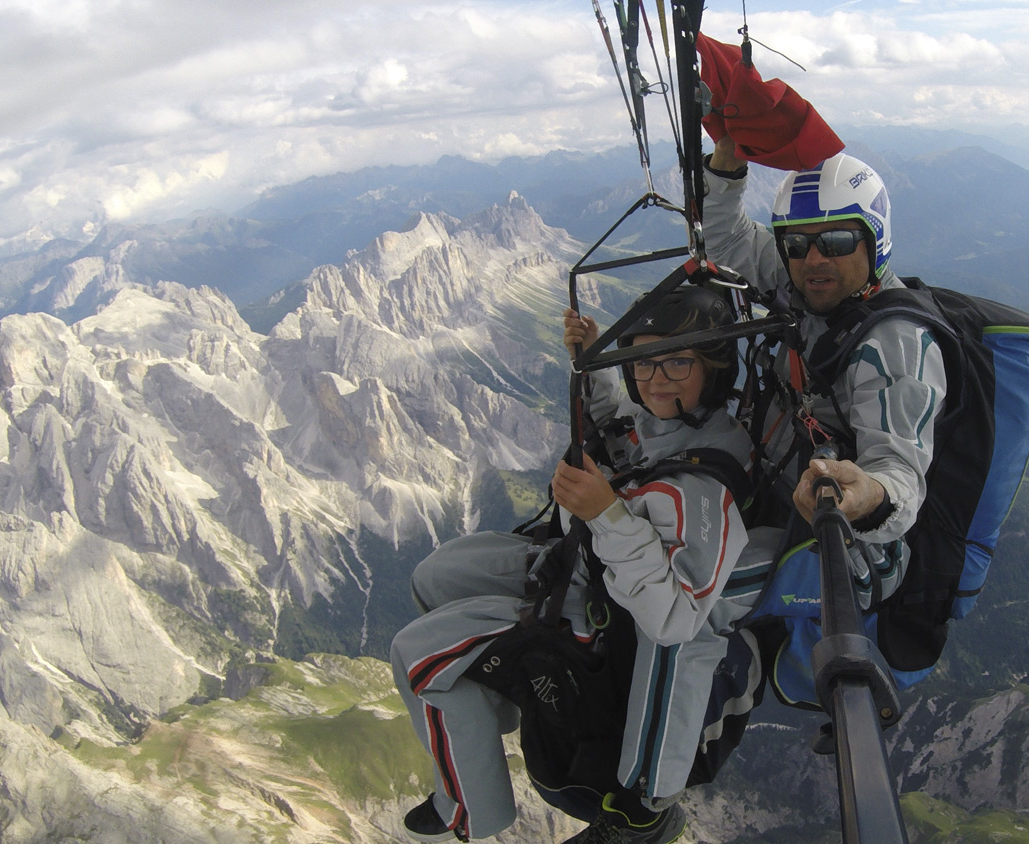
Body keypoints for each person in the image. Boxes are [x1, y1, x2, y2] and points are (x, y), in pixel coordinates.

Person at [391, 285, 778, 843]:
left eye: (677, 361)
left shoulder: (699, 487)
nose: (655, 377)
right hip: (586, 564)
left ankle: (469, 810)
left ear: (714, 370)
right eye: (642, 360)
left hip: (603, 612)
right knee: (435, 577)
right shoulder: (680, 422)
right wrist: (594, 362)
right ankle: (486, 714)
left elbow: (675, 616)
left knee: (418, 654)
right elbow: (627, 428)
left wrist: (608, 515)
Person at [702, 136, 950, 702]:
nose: (814, 259)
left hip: (855, 545)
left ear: (873, 240)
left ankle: (725, 697)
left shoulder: (894, 349)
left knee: (680, 587)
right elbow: (728, 238)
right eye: (797, 243)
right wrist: (728, 153)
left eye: (836, 241)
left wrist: (867, 494)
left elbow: (902, 478)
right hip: (786, 499)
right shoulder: (811, 289)